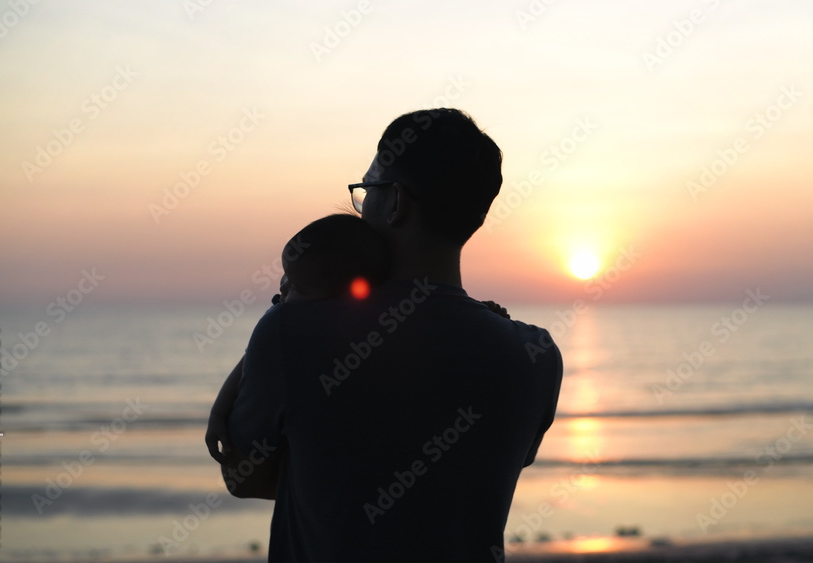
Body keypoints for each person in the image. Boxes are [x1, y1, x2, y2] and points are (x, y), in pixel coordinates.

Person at [222, 109, 563, 562]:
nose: (360, 209)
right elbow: (471, 483)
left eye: (367, 192)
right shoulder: (535, 355)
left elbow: (243, 478)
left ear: (396, 202)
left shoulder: (293, 331)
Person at [206, 213, 391, 483]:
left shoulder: (294, 329)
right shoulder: (292, 314)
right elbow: (247, 362)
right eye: (285, 276)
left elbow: (241, 483)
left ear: (342, 297)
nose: (283, 288)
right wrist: (218, 412)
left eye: (298, 287)